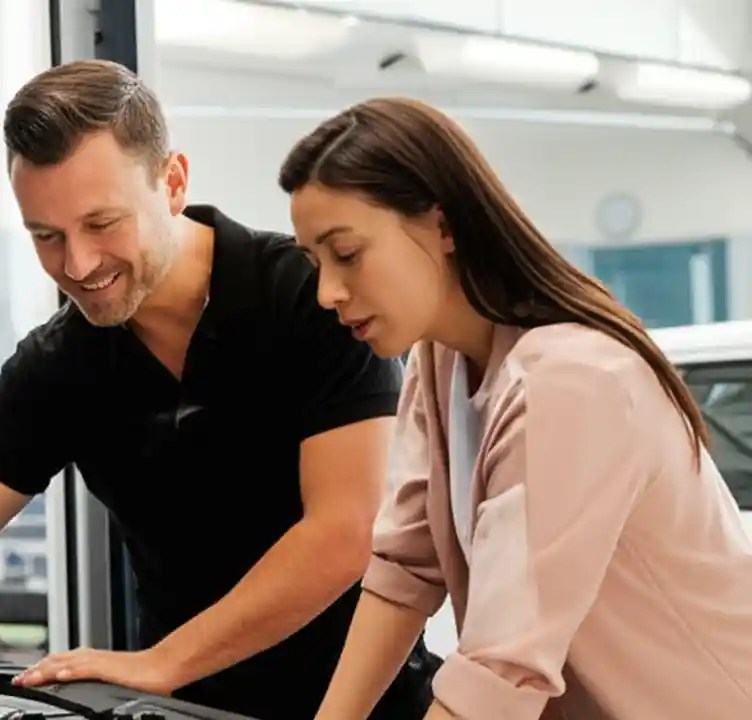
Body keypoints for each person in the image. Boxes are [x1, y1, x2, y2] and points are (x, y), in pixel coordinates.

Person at [0, 60, 440, 718]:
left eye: (102, 224)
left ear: (172, 182)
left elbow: (345, 530)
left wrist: (163, 661)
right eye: (46, 236)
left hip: (364, 705)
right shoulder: (60, 364)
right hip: (183, 711)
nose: (76, 264)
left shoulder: (309, 295)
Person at [276, 96, 752, 720]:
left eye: (348, 254)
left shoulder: (571, 382)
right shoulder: (441, 361)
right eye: (314, 263)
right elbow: (404, 570)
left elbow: (503, 668)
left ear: (443, 227)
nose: (328, 292)